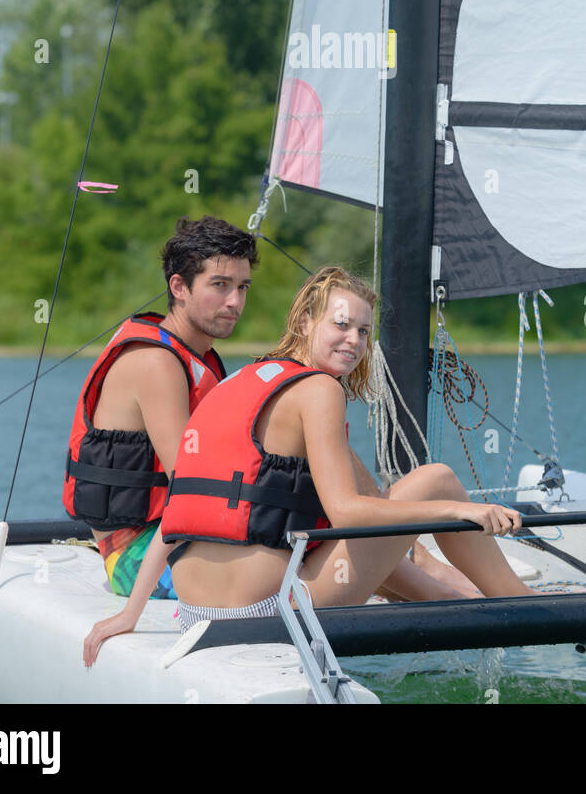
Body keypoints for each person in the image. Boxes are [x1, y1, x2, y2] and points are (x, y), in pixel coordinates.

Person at [84, 266, 531, 663]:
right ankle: (534, 611)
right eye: (341, 325)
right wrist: (459, 510)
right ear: (304, 321)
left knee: (373, 522)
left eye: (364, 331)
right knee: (438, 481)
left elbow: (180, 513)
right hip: (270, 611)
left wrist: (130, 612)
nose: (354, 341)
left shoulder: (244, 380)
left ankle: (455, 600)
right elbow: (349, 514)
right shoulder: (321, 391)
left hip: (198, 613)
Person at [63, 214, 257, 600]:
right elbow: (190, 485)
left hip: (178, 538)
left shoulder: (199, 360)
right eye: (219, 286)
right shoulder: (157, 363)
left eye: (242, 287)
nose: (234, 301)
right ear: (179, 287)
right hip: (135, 557)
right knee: (301, 554)